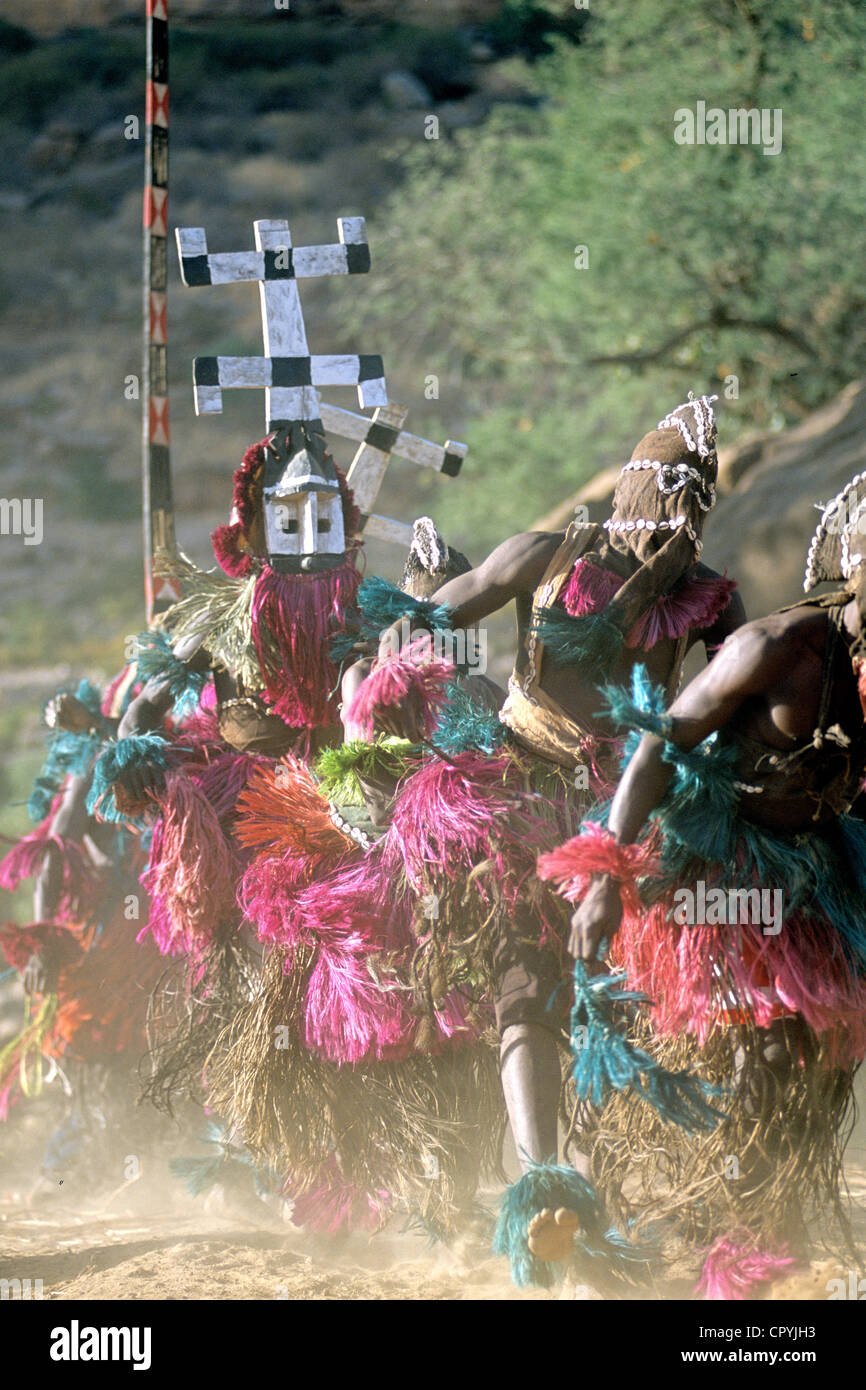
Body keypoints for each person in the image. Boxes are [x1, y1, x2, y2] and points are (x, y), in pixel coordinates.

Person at [351, 393, 745, 1283]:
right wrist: (377, 675)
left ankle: (630, 1191)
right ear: (637, 493)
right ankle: (546, 1183)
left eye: (698, 504)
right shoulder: (546, 557)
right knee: (523, 983)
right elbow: (438, 615)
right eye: (674, 497)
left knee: (627, 993)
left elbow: (735, 702)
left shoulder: (709, 600)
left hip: (628, 818)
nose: (682, 522)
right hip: (520, 800)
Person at [556, 468, 866, 1295]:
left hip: (816, 875)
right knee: (759, 1044)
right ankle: (704, 1233)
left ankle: (755, 1219)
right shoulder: (775, 649)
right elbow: (657, 743)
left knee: (819, 1059)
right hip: (720, 873)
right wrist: (604, 876)